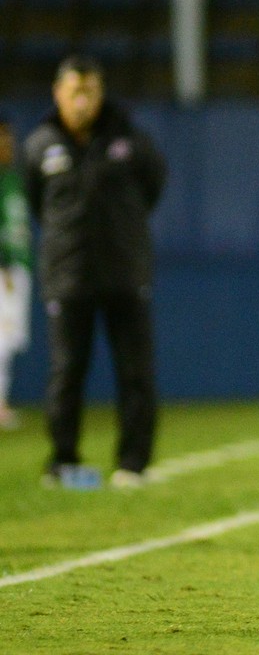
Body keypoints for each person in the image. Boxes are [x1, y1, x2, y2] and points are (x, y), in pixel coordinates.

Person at [23, 56, 166, 489]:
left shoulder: (130, 140)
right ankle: (63, 460)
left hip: (125, 273)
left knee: (135, 371)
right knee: (66, 371)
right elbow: (37, 203)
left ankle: (133, 462)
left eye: (89, 91)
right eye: (74, 91)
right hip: (68, 276)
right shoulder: (40, 145)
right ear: (58, 94)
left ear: (100, 93)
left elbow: (152, 186)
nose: (82, 100)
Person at [0, 118, 33, 431]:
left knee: (9, 339)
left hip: (17, 267)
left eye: (8, 139)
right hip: (4, 270)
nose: (7, 146)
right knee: (1, 340)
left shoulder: (12, 179)